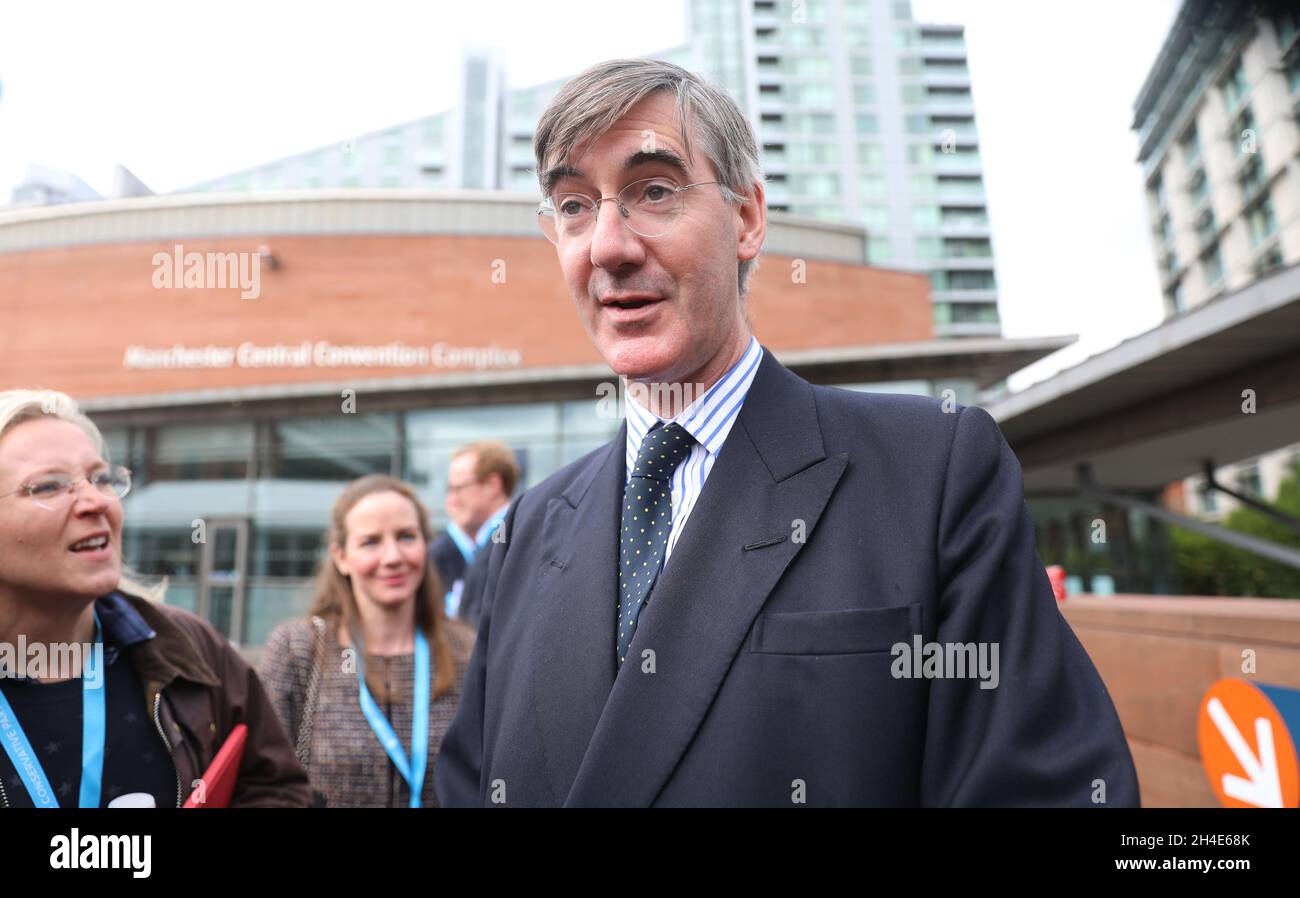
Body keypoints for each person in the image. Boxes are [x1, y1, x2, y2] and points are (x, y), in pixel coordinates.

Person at [435, 58, 1140, 807]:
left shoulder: (931, 472)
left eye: (655, 191)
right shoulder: (528, 532)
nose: (608, 245)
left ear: (747, 219)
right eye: (574, 205)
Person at [0, 389, 310, 808]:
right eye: (50, 486)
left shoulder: (189, 647)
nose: (96, 501)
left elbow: (276, 788)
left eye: (101, 478)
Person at [260, 475, 476, 807]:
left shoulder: (468, 652)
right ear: (341, 557)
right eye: (371, 542)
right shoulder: (298, 649)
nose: (392, 557)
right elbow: (264, 782)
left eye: (406, 536)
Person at [426, 441, 518, 626]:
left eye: (458, 489)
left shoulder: (515, 540)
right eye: (449, 491)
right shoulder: (484, 542)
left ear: (492, 485)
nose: (451, 501)